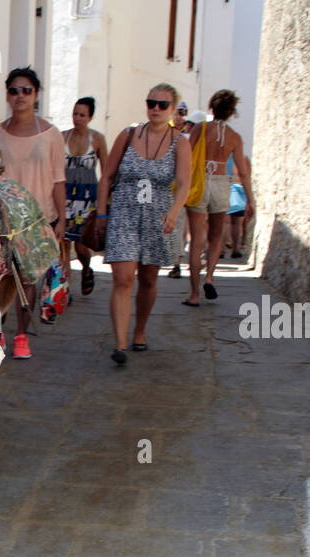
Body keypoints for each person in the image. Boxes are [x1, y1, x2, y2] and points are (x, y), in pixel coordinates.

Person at [94, 83, 191, 365]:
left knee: (148, 279)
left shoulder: (180, 142)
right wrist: (101, 213)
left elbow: (184, 183)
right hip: (124, 213)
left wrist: (174, 211)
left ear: (173, 109)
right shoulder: (128, 134)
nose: (156, 109)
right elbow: (107, 177)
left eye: (163, 105)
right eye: (151, 103)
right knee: (123, 279)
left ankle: (139, 331)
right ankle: (120, 344)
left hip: (158, 216)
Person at [0, 67, 67, 359]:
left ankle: (21, 335)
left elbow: (59, 179)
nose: (19, 96)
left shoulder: (51, 135)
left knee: (27, 279)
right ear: (7, 95)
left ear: (36, 94)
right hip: (2, 216)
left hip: (37, 216)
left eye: (26, 90)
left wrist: (62, 219)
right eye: (14, 90)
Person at [183, 89, 254, 306]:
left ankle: (194, 294)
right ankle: (210, 277)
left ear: (212, 108)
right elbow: (242, 171)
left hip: (201, 182)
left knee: (196, 240)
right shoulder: (234, 137)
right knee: (215, 237)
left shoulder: (200, 129)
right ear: (232, 112)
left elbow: (185, 156)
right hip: (223, 182)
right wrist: (250, 199)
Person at [60, 97, 109, 296]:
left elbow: (107, 171)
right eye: (75, 114)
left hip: (87, 198)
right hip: (64, 196)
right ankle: (66, 290)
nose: (77, 118)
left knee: (81, 247)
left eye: (82, 115)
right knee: (63, 245)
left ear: (90, 117)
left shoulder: (97, 139)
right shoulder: (62, 137)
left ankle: (86, 268)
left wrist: (105, 202)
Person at [166, 107, 203, 279]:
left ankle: (177, 263)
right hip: (197, 189)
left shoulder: (181, 139)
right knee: (197, 230)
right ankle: (197, 264)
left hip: (180, 187)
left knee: (178, 225)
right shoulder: (206, 142)